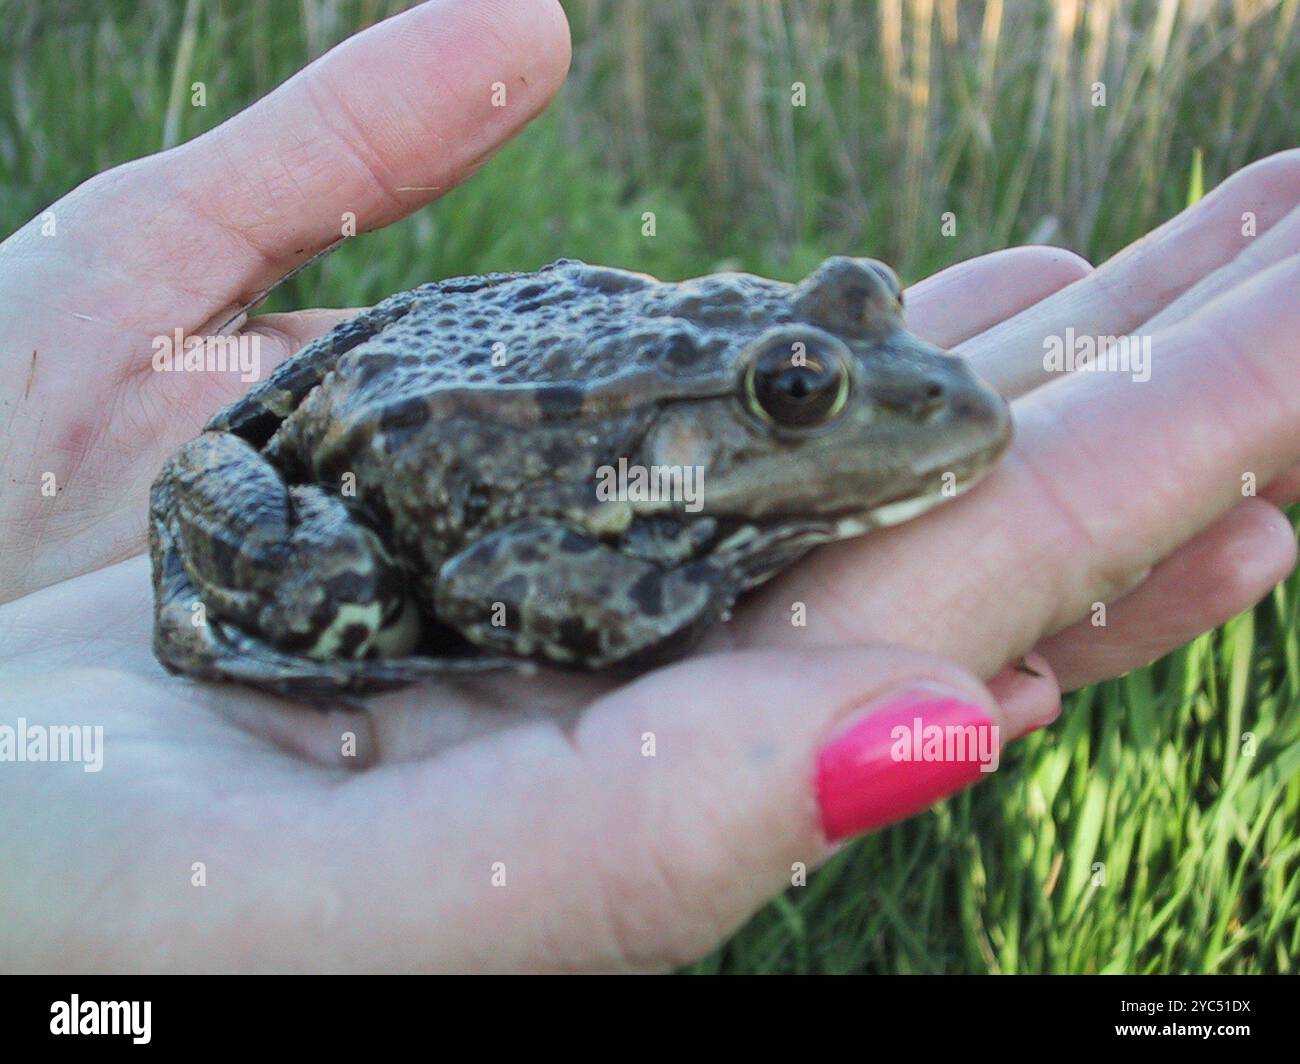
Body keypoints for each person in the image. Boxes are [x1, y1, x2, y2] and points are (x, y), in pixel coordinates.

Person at [1, 0, 1297, 972]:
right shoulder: (617, 495)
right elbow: (479, 578)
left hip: (457, 351)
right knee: (347, 593)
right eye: (799, 398)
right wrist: (670, 600)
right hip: (362, 474)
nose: (914, 386)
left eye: (867, 325)